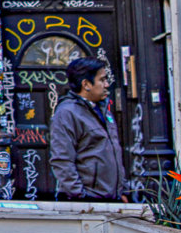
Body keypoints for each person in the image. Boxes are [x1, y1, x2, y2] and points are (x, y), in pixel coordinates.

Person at [49, 56, 127, 203]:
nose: (107, 84)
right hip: (88, 202)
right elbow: (62, 160)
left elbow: (112, 151)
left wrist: (122, 191)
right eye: (102, 80)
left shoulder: (103, 109)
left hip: (110, 198)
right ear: (86, 84)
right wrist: (80, 196)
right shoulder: (67, 113)